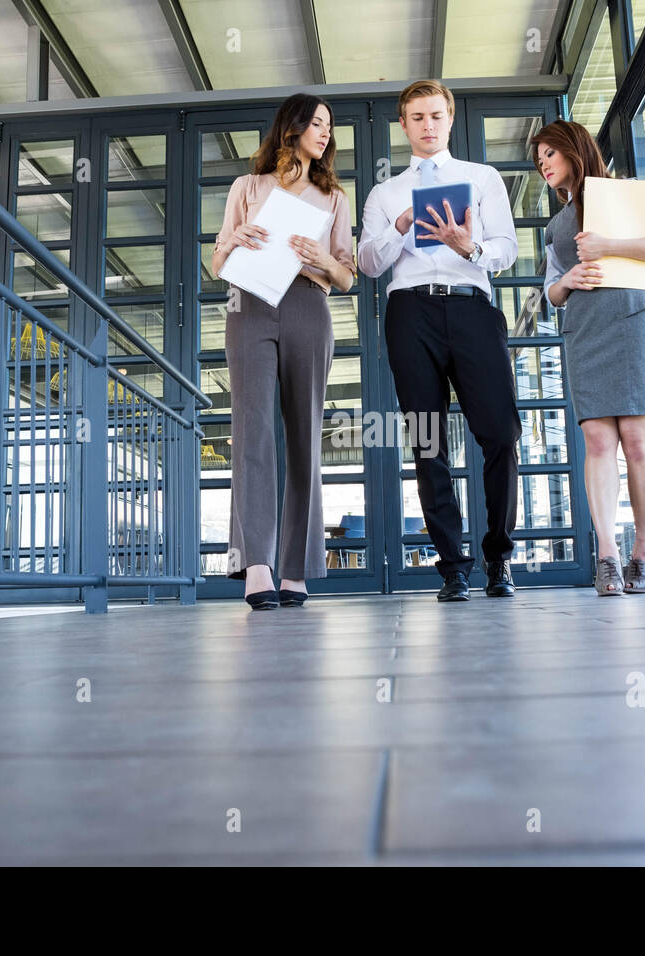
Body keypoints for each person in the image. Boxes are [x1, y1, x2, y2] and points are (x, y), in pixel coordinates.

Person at [358, 79, 521, 602]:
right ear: (402, 125)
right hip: (411, 311)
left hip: (472, 304)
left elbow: (508, 250)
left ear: (449, 120)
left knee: (500, 433)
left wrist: (467, 246)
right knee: (427, 441)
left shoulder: (482, 177)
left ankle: (498, 557)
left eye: (436, 116)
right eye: (417, 118)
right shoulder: (385, 194)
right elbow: (368, 263)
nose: (427, 126)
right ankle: (453, 567)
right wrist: (402, 225)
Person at [212, 93, 356, 610]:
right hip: (248, 303)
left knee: (304, 437)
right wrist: (236, 240)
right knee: (252, 431)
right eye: (317, 123)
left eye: (329, 126)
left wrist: (322, 258)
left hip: (308, 304)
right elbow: (216, 262)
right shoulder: (247, 187)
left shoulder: (334, 196)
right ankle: (256, 564)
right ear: (291, 128)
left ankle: (296, 568)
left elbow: (346, 275)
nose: (326, 133)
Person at [532, 120, 645, 596]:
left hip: (635, 322)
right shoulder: (556, 225)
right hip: (587, 329)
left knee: (638, 441)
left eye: (549, 155)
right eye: (539, 161)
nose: (543, 165)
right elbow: (551, 291)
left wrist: (608, 245)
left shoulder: (627, 197)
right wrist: (566, 281)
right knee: (598, 442)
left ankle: (643, 549)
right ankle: (606, 554)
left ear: (575, 151)